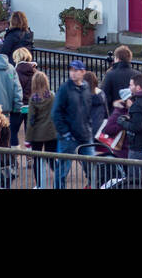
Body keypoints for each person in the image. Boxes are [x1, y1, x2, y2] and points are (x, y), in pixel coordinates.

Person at [52, 59, 93, 189]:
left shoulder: (86, 87)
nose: (72, 73)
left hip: (85, 134)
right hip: (68, 136)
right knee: (62, 169)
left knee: (92, 166)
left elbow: (88, 109)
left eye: (76, 70)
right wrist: (65, 133)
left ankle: (93, 185)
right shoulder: (64, 89)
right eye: (71, 70)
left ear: (83, 72)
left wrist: (89, 126)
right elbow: (56, 113)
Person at [95, 88, 132, 189]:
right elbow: (107, 129)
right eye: (131, 99)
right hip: (122, 154)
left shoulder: (132, 111)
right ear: (125, 100)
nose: (133, 101)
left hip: (128, 152)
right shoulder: (119, 112)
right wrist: (123, 124)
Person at [25, 70, 57, 186]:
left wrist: (28, 138)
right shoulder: (52, 96)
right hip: (51, 132)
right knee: (52, 158)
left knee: (37, 160)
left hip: (37, 134)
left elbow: (31, 120)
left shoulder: (33, 99)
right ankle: (58, 177)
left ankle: (39, 184)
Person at [11, 47, 36, 141]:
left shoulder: (15, 72)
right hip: (31, 106)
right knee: (29, 134)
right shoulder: (35, 72)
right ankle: (30, 154)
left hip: (19, 106)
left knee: (13, 132)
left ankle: (14, 153)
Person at [101, 46, 135, 113]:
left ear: (117, 59)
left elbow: (104, 96)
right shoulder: (137, 75)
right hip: (133, 114)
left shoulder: (110, 74)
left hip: (115, 114)